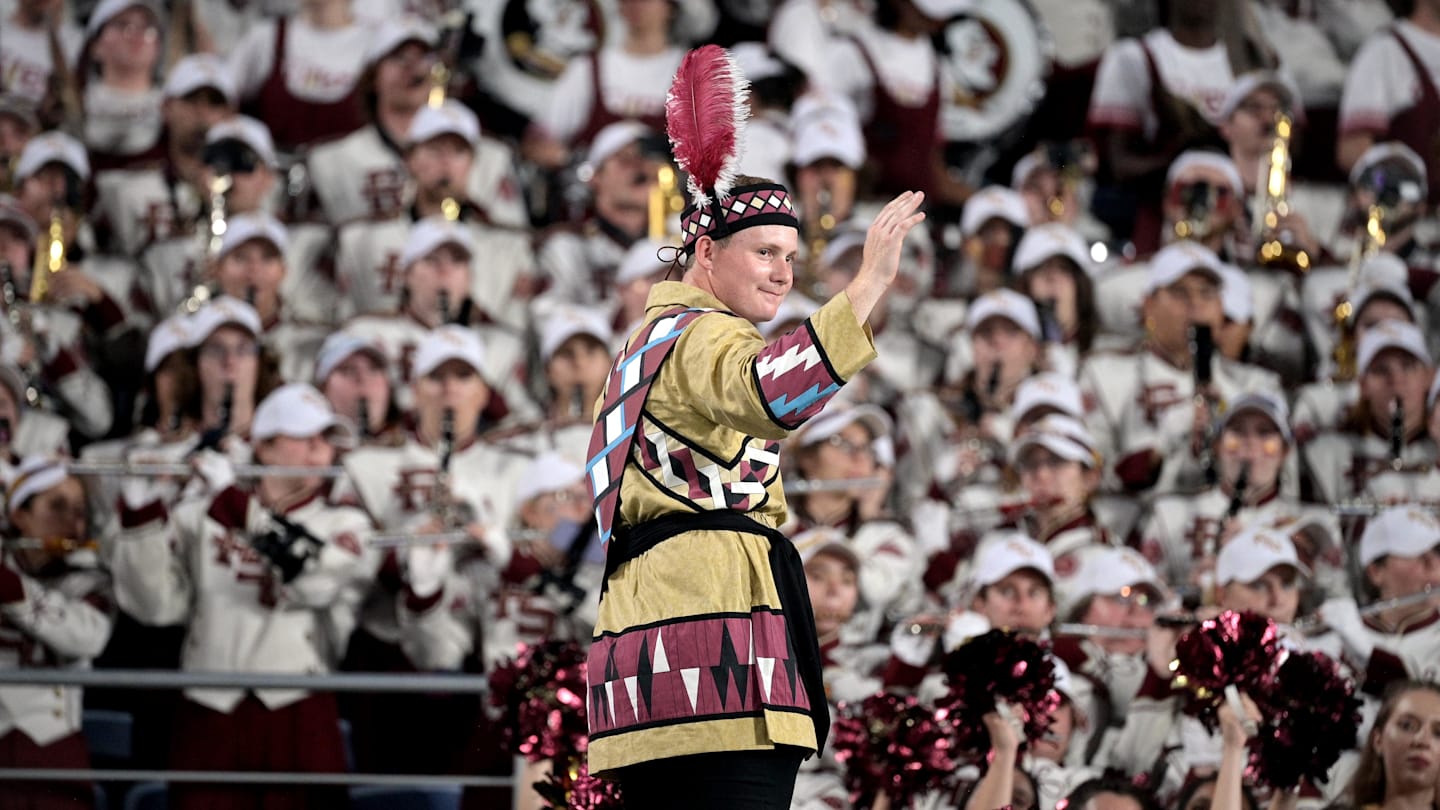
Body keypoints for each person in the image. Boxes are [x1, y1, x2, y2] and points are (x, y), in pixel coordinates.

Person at [582, 54, 925, 798]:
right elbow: (770, 394)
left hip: (653, 656)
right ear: (706, 253)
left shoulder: (647, 344)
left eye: (790, 258)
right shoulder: (700, 334)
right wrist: (864, 285)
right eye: (764, 252)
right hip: (716, 659)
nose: (781, 272)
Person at [111, 384, 377, 810]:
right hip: (209, 709)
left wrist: (238, 508)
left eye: (326, 440)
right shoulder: (204, 511)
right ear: (266, 449)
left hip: (299, 713)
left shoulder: (346, 524)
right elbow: (154, 606)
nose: (320, 450)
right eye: (305, 438)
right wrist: (141, 513)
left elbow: (313, 583)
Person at [0, 457, 111, 810]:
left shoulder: (92, 577)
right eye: (57, 507)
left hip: (55, 745)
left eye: (79, 511)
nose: (72, 523)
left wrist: (9, 587)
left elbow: (88, 636)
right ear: (19, 515)